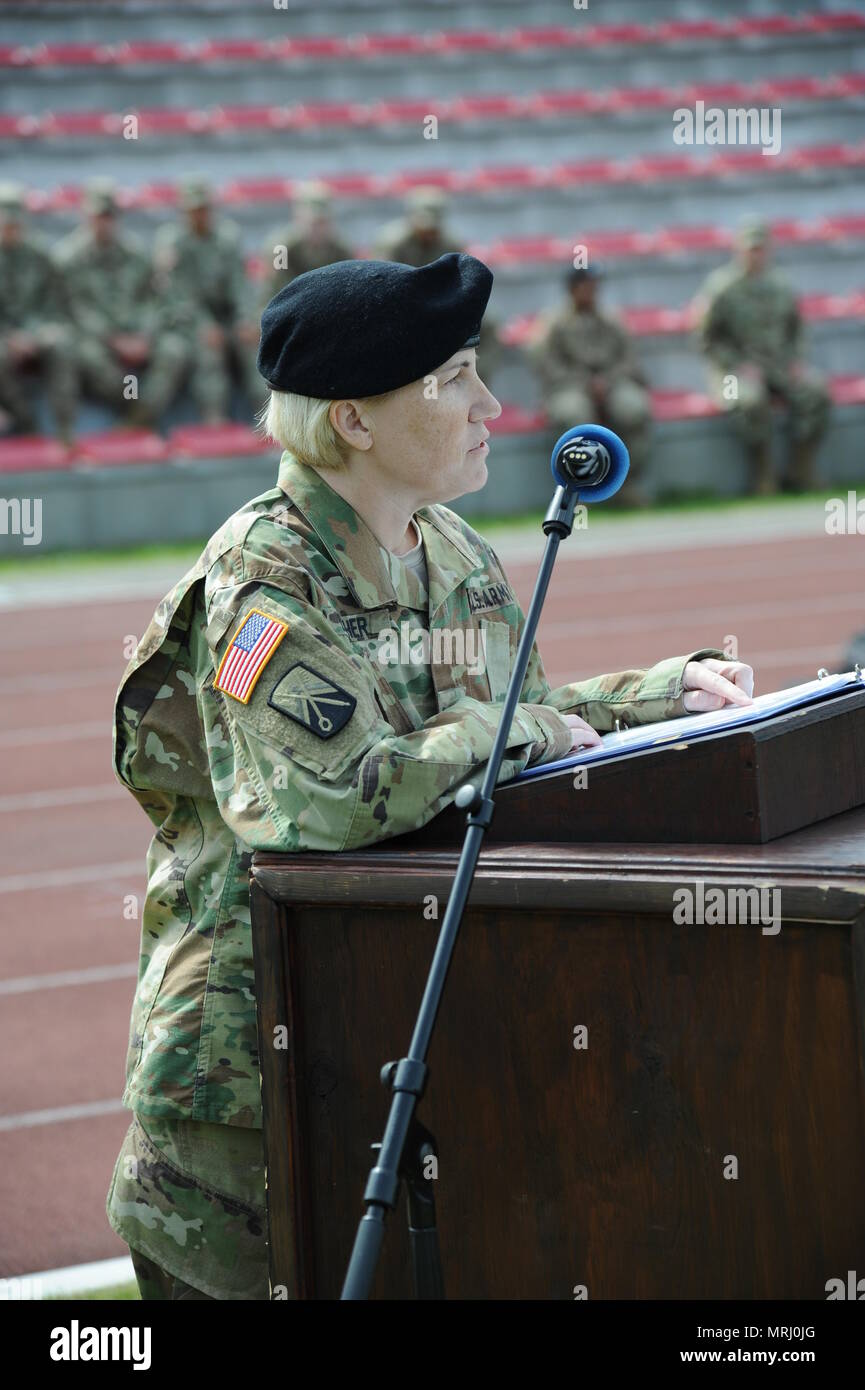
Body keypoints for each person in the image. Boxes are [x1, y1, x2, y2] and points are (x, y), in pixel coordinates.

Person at [106, 252, 755, 1299]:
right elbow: (334, 797)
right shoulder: (262, 585)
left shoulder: (447, 547)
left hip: (392, 1036)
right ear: (353, 421)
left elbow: (509, 715)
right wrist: (528, 728)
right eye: (453, 380)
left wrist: (654, 696)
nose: (489, 404)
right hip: (250, 1089)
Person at [694, 219, 831, 495]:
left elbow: (797, 330)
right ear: (739, 251)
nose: (755, 255)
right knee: (749, 400)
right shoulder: (721, 287)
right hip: (731, 373)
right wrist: (737, 364)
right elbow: (705, 339)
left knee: (816, 392)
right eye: (750, 249)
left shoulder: (781, 285)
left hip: (778, 366)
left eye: (760, 249)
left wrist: (795, 360)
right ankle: (763, 473)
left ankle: (800, 469)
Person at [54, 178, 190, 430]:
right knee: (88, 355)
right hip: (96, 338)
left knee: (174, 349)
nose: (104, 222)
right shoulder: (68, 259)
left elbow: (153, 300)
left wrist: (144, 336)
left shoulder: (135, 254)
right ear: (86, 216)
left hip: (137, 335)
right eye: (99, 216)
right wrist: (114, 340)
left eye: (109, 216)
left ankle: (138, 420)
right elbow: (73, 309)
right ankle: (134, 411)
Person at [530, 265, 652, 507]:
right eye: (585, 286)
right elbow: (546, 363)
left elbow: (629, 358)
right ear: (572, 289)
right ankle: (577, 489)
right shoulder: (554, 324)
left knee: (634, 410)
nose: (591, 291)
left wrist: (607, 380)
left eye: (594, 286)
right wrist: (585, 382)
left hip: (612, 383)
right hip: (569, 386)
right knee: (575, 417)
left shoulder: (612, 320)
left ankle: (624, 483)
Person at [153, 175, 262, 424]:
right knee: (208, 352)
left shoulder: (227, 237)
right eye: (194, 210)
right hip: (186, 321)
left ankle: (268, 417)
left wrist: (245, 319)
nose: (199, 215)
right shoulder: (173, 242)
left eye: (203, 209)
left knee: (252, 345)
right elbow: (175, 295)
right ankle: (214, 418)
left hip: (226, 316)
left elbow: (240, 285)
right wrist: (202, 324)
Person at [374, 186, 503, 381]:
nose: (427, 232)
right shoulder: (393, 243)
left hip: (439, 301)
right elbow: (381, 285)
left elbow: (462, 281)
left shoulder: (450, 244)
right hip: (400, 305)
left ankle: (473, 376)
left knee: (488, 322)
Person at [0, 182, 77, 444]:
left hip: (36, 331)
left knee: (62, 343)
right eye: (6, 224)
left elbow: (54, 304)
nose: (11, 230)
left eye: (15, 224)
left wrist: (32, 334)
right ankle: (27, 426)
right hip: (5, 336)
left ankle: (65, 430)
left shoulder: (39, 255)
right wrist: (10, 336)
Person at [258, 180, 354, 305]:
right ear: (298, 219)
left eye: (322, 222)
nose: (317, 229)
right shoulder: (281, 249)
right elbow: (275, 292)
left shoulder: (341, 250)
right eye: (312, 223)